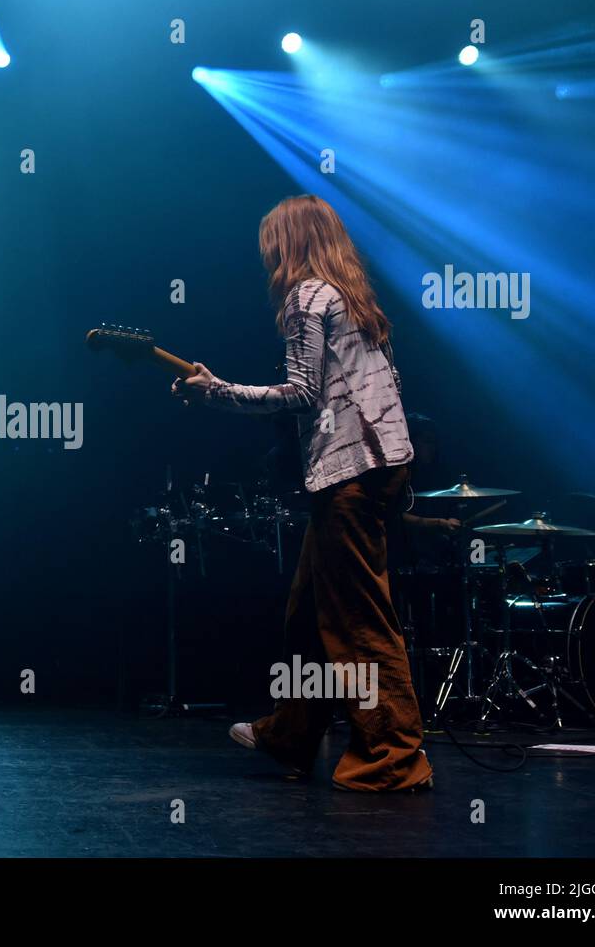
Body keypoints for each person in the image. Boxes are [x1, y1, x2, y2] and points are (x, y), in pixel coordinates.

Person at [171, 195, 434, 791]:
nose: (266, 254)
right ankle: (291, 734)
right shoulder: (352, 297)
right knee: (310, 614)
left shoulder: (305, 297)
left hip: (349, 472)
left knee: (359, 620)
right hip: (378, 465)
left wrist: (216, 392)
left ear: (289, 241)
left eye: (271, 241)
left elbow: (301, 392)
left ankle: (396, 756)